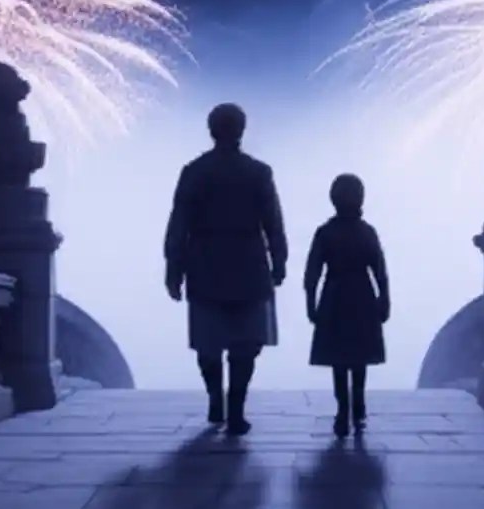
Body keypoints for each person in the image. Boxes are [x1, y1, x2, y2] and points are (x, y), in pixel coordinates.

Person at [164, 103, 288, 436]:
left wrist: (174, 268)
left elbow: (178, 224)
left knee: (207, 343)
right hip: (249, 265)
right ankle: (235, 409)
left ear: (211, 130)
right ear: (241, 130)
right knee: (246, 344)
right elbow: (273, 223)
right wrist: (279, 261)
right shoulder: (258, 173)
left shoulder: (194, 172)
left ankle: (215, 397)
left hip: (204, 264)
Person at [304, 173, 390, 438]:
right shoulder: (367, 232)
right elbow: (380, 271)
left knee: (339, 360)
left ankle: (343, 409)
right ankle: (358, 404)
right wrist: (384, 298)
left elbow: (312, 273)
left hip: (335, 296)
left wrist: (311, 304)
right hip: (362, 296)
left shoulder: (325, 232)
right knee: (359, 357)